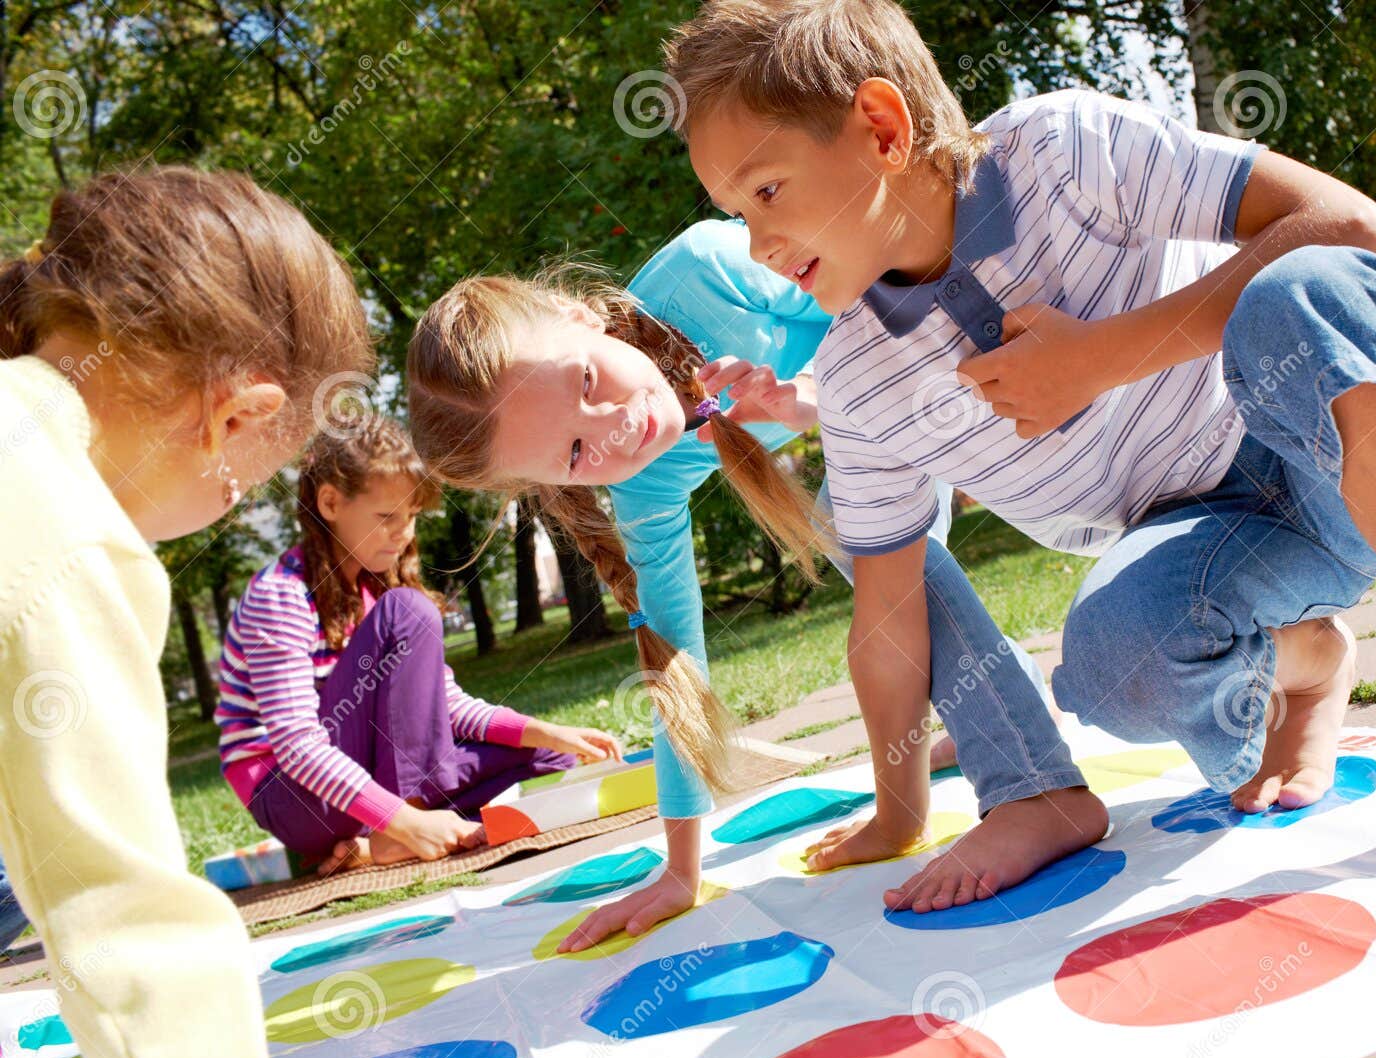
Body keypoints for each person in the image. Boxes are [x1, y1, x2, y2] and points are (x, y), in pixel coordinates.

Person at [663, 0, 1376, 899]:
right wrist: (896, 812)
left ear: (879, 127)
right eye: (737, 210)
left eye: (767, 191)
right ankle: (1307, 664)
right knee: (1109, 665)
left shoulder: (1063, 151)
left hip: (1330, 457)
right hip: (1203, 548)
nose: (759, 244)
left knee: (1309, 285)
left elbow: (1356, 229)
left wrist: (1100, 358)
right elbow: (890, 618)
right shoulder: (861, 377)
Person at [406, 219, 1096, 949]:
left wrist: (807, 397)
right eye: (577, 453)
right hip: (888, 445)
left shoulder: (706, 271)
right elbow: (677, 665)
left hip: (993, 356)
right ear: (548, 487)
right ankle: (968, 739)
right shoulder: (647, 484)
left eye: (587, 381)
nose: (615, 427)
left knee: (851, 514)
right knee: (862, 535)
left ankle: (1021, 778)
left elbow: (908, 312)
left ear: (581, 318)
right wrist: (680, 870)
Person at [0, 165, 374, 1058]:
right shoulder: (59, 519)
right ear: (239, 414)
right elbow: (127, 921)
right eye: (248, 485)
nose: (230, 505)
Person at [218, 417, 621, 873]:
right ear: (330, 502)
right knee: (409, 610)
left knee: (553, 758)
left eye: (410, 517)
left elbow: (445, 706)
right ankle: (403, 829)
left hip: (372, 775)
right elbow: (296, 744)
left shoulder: (373, 593)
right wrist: (403, 819)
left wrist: (543, 731)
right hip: (295, 794)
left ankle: (381, 843)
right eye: (386, 517)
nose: (404, 533)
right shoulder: (282, 595)